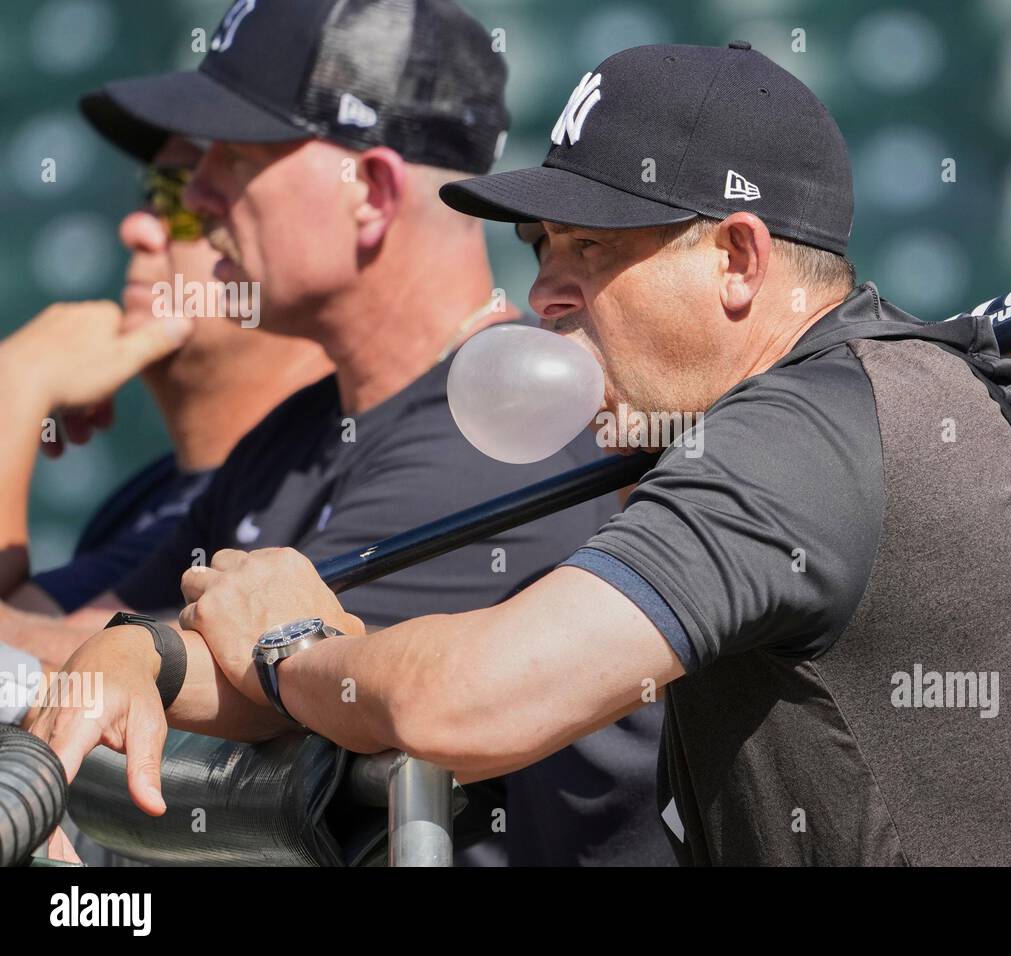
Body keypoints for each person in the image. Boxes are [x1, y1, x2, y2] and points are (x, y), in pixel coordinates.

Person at [33, 41, 1011, 866]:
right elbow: (371, 654)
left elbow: (468, 699)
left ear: (737, 259)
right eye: (542, 249)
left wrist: (295, 643)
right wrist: (151, 650)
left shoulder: (810, 430)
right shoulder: (714, 426)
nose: (544, 299)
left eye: (590, 253)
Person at [15, 0, 668, 867]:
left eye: (238, 156)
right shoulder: (303, 428)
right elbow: (76, 629)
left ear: (373, 193)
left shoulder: (501, 440)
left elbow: (250, 684)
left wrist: (11, 392)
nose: (198, 196)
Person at [0, 133, 332, 719]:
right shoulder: (156, 495)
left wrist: (14, 386)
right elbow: (31, 634)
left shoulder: (320, 477)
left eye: (184, 204)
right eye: (156, 192)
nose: (137, 228)